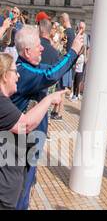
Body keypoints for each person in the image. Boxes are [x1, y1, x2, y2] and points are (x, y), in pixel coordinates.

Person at [9, 23, 82, 210]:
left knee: (25, 188)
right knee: (20, 195)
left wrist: (75, 51)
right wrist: (72, 52)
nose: (42, 47)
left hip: (28, 144)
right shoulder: (24, 71)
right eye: (38, 46)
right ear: (26, 51)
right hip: (19, 147)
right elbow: (50, 74)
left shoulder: (29, 66)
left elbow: (55, 69)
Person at [0, 52, 66, 209]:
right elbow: (25, 125)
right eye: (14, 72)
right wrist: (49, 99)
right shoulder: (1, 104)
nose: (18, 76)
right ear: (4, 76)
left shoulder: (5, 102)